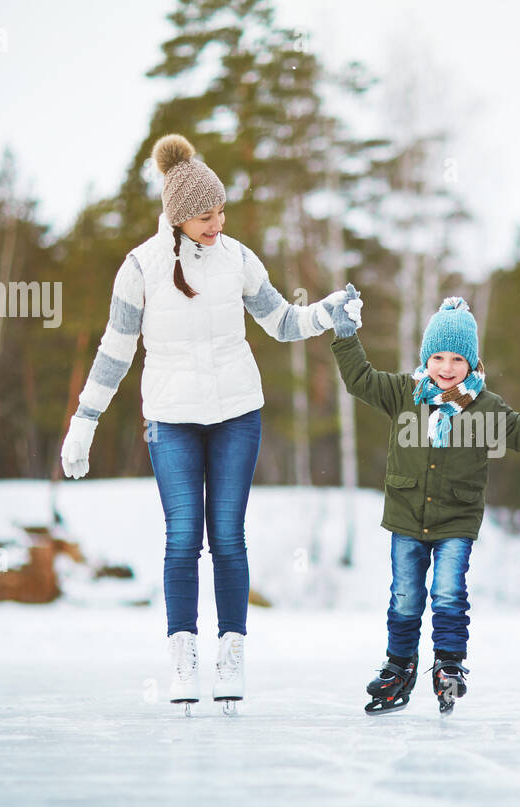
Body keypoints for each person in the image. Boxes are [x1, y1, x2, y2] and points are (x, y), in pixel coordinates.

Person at [59, 133, 356, 716]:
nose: (216, 222)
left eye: (220, 210)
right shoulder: (139, 268)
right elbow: (115, 351)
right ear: (177, 216)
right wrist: (84, 421)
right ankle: (183, 656)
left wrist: (328, 312)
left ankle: (231, 652)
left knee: (227, 536)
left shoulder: (238, 259)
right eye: (203, 215)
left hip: (236, 416)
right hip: (170, 421)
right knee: (181, 539)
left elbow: (282, 323)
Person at [329, 294, 520, 714]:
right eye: (438, 357)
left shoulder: (486, 407)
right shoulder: (405, 394)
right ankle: (399, 666)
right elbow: (359, 380)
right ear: (426, 358)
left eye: (457, 359)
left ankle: (449, 665)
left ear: (472, 363)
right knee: (404, 596)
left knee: (447, 593)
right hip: (406, 518)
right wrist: (346, 336)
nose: (446, 367)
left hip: (456, 521)